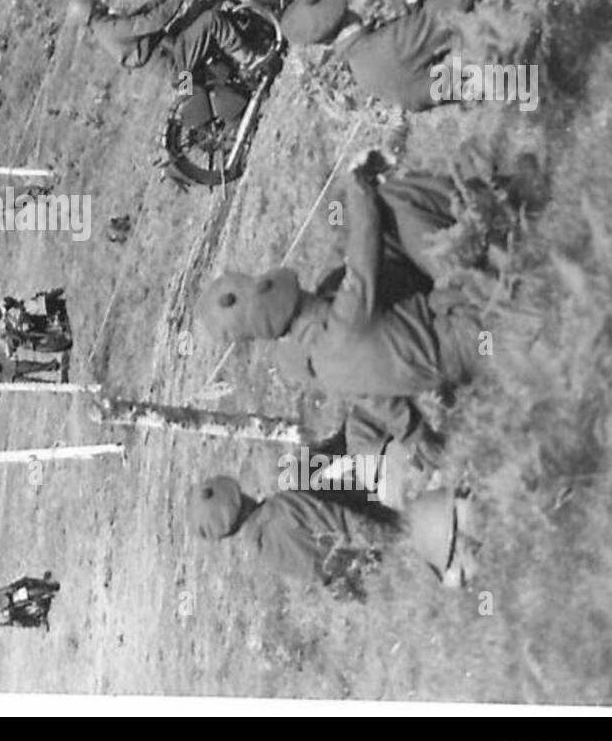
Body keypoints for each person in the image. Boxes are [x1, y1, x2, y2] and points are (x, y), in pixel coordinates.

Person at [195, 152, 527, 469]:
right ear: (275, 290)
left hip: (455, 372)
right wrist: (359, 182)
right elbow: (364, 246)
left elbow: (378, 401)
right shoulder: (347, 315)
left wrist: (417, 437)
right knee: (397, 199)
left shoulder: (319, 367)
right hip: (479, 334)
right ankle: (501, 210)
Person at [278, 0, 533, 112]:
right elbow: (452, 9)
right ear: (345, 13)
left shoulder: (362, 70)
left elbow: (413, 60)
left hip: (489, 84)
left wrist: (412, 5)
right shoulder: (386, 46)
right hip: (511, 68)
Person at [187, 474, 479, 590]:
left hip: (360, 580)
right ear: (240, 496)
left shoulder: (262, 551)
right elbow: (346, 521)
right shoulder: (283, 506)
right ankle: (448, 555)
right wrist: (402, 538)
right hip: (379, 547)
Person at [67, 0, 262, 88]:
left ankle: (247, 42)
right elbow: (153, 21)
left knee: (196, 9)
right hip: (173, 62)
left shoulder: (104, 26)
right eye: (95, 2)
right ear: (91, 10)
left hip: (167, 50)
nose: (100, 1)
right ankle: (252, 62)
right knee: (209, 20)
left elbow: (138, 15)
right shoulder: (109, 28)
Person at [0, 349, 66, 408]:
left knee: (30, 366)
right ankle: (54, 386)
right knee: (30, 383)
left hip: (8, 366)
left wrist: (8, 356)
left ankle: (52, 365)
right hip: (8, 381)